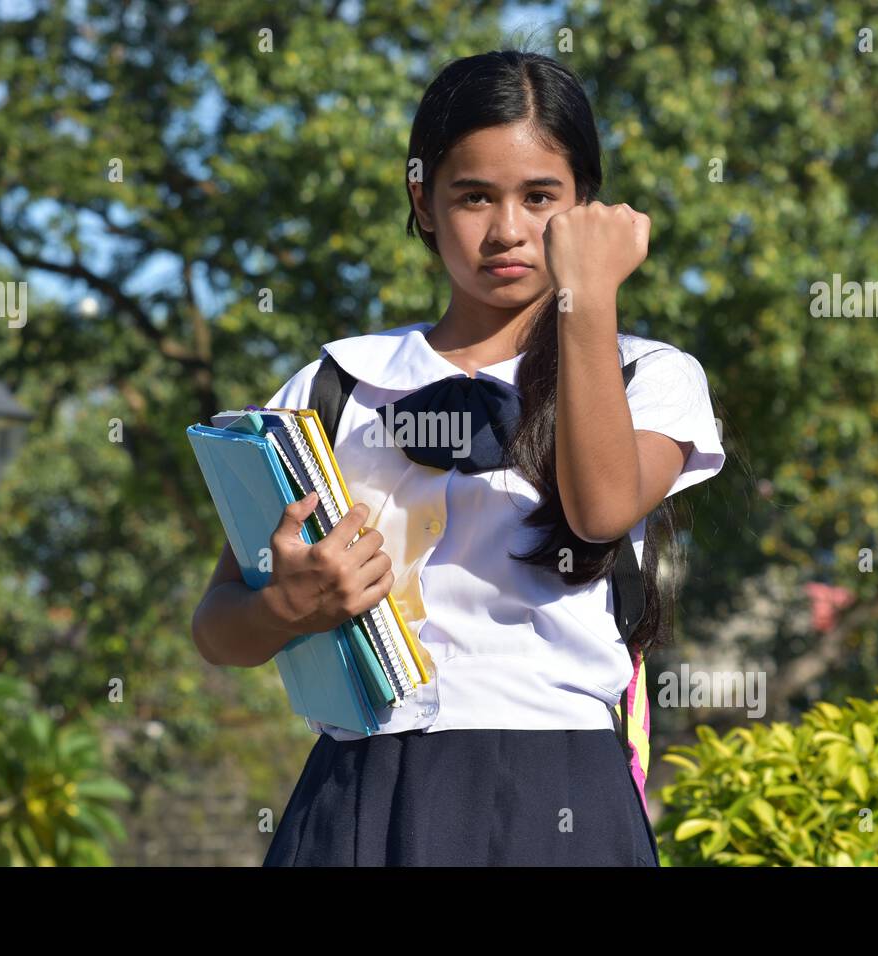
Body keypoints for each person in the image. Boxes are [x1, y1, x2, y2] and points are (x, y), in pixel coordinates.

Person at [191, 49, 726, 866]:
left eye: (541, 197)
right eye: (473, 196)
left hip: (561, 787)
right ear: (424, 201)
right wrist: (289, 606)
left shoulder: (648, 374)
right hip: (359, 788)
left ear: (585, 205)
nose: (508, 229)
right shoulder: (337, 382)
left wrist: (589, 294)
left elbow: (602, 508)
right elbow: (218, 628)